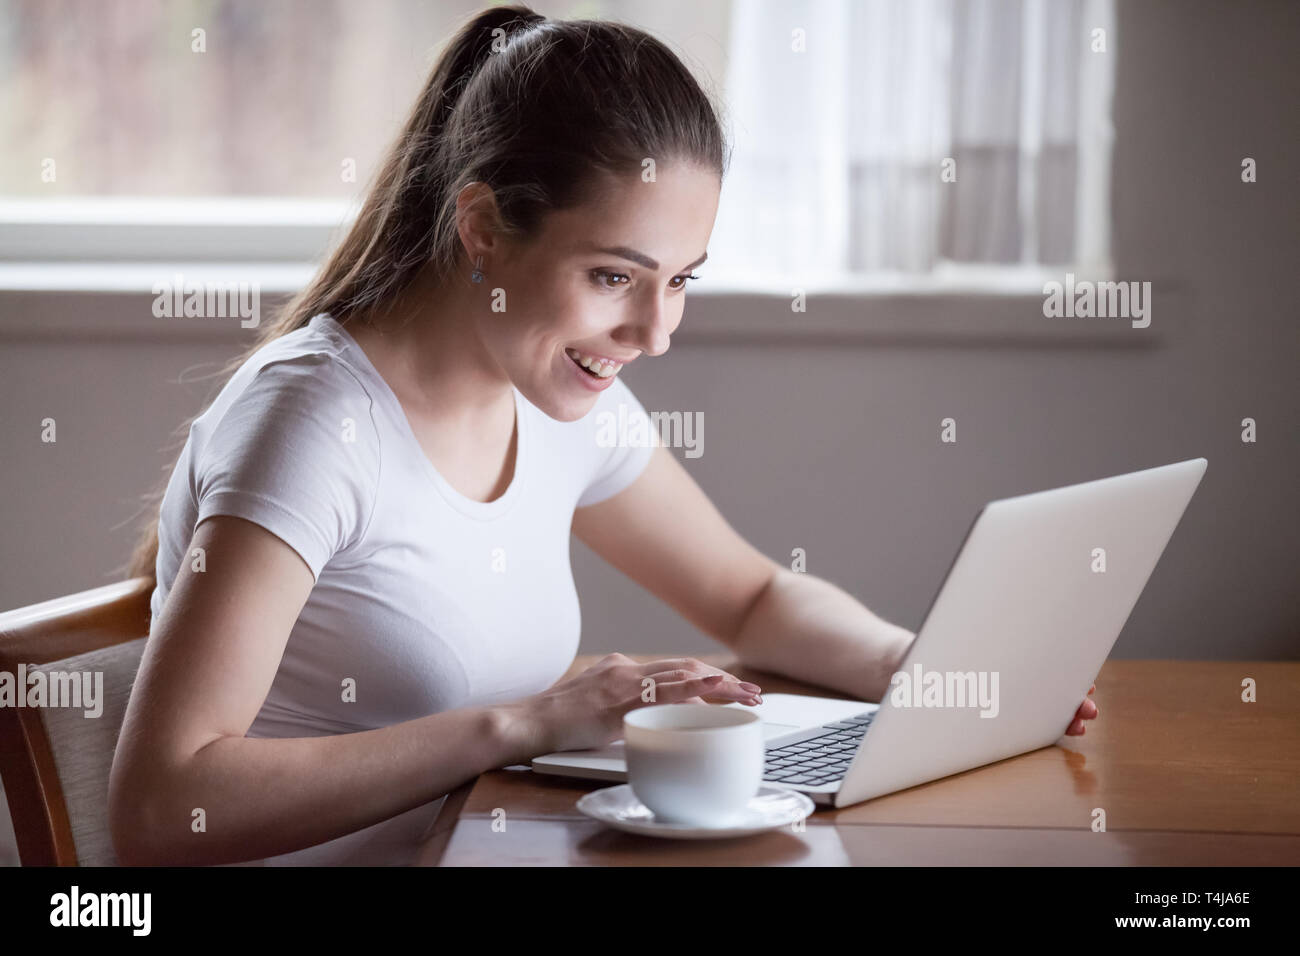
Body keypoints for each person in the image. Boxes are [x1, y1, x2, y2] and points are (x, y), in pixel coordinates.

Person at [109, 5, 1097, 867]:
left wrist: (920, 666)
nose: (655, 331)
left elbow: (751, 595)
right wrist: (522, 722)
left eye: (680, 279)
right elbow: (162, 807)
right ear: (484, 226)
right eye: (615, 277)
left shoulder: (553, 392)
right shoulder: (313, 425)